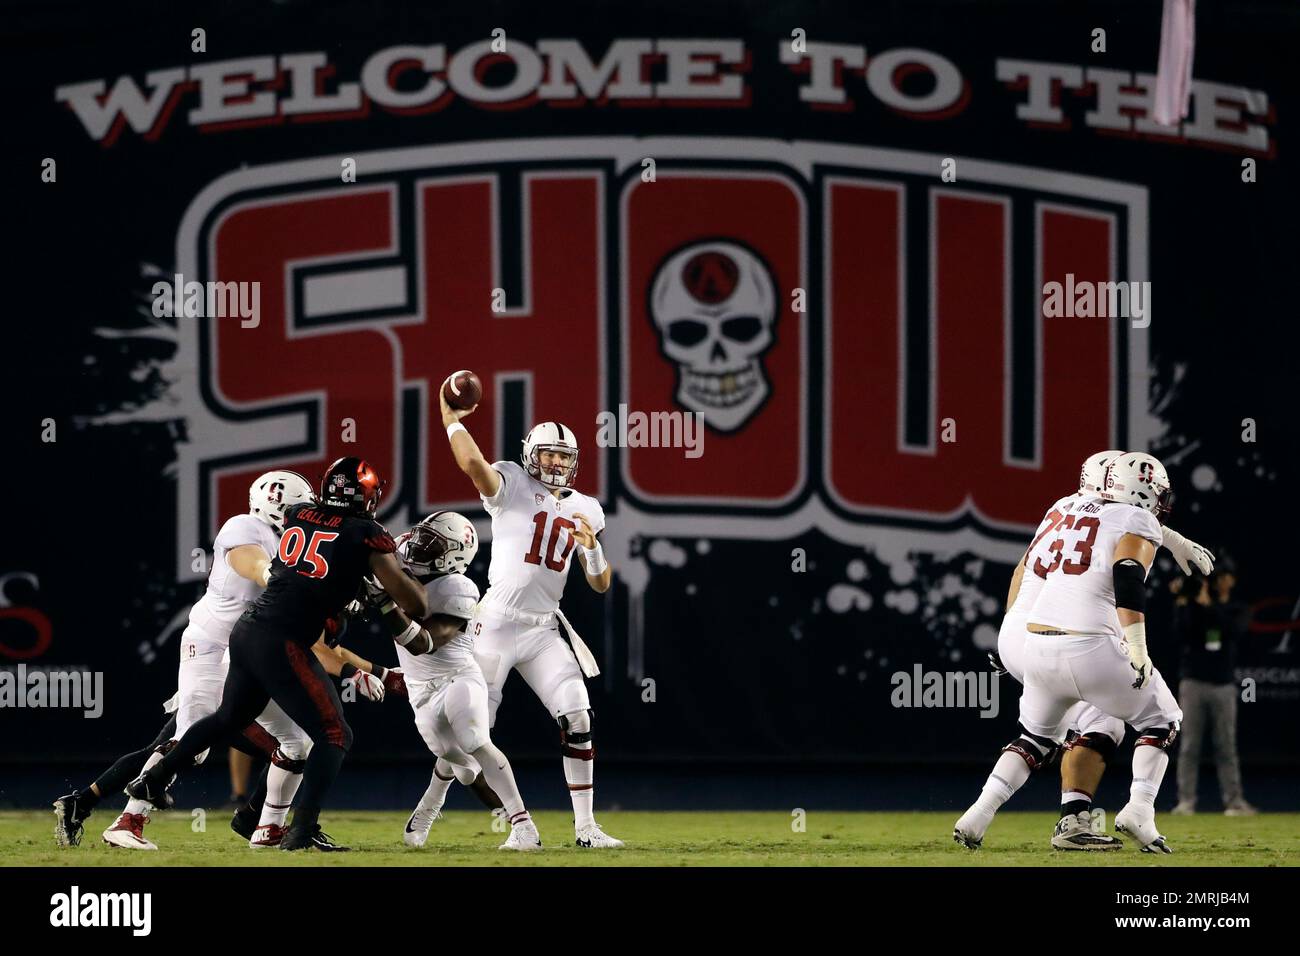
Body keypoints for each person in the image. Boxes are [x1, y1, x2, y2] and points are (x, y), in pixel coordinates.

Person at [127, 457, 430, 851]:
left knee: (229, 717)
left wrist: (349, 587)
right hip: (283, 639)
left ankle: (152, 778)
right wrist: (386, 589)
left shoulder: (298, 513)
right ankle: (300, 831)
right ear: (368, 497)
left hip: (249, 630)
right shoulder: (365, 533)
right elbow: (417, 604)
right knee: (335, 735)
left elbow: (314, 567)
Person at [955, 450, 1212, 850]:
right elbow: (1127, 571)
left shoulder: (1063, 507)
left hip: (1030, 638)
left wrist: (1172, 540)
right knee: (1163, 720)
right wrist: (1138, 648)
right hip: (1087, 645)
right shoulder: (1135, 517)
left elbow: (1024, 570)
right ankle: (1139, 809)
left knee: (1048, 736)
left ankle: (980, 814)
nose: (1159, 499)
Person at [441, 387, 623, 848]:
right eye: (548, 455)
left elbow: (600, 585)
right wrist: (451, 419)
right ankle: (435, 810)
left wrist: (593, 549)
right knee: (472, 732)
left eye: (564, 457)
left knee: (578, 716)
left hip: (543, 628)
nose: (556, 465)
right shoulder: (513, 485)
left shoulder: (587, 508)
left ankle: (586, 828)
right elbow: (473, 466)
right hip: (496, 623)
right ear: (528, 455)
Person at [1170, 562, 1257, 816]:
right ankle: (1186, 801)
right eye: (1216, 578)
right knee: (1189, 746)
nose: (1220, 582)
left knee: (1226, 746)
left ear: (1231, 580)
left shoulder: (1237, 608)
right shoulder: (1192, 606)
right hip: (1193, 682)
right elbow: (1180, 633)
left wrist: (1207, 604)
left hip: (1223, 685)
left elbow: (1233, 630)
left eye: (1224, 577)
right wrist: (1184, 601)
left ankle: (1234, 801)